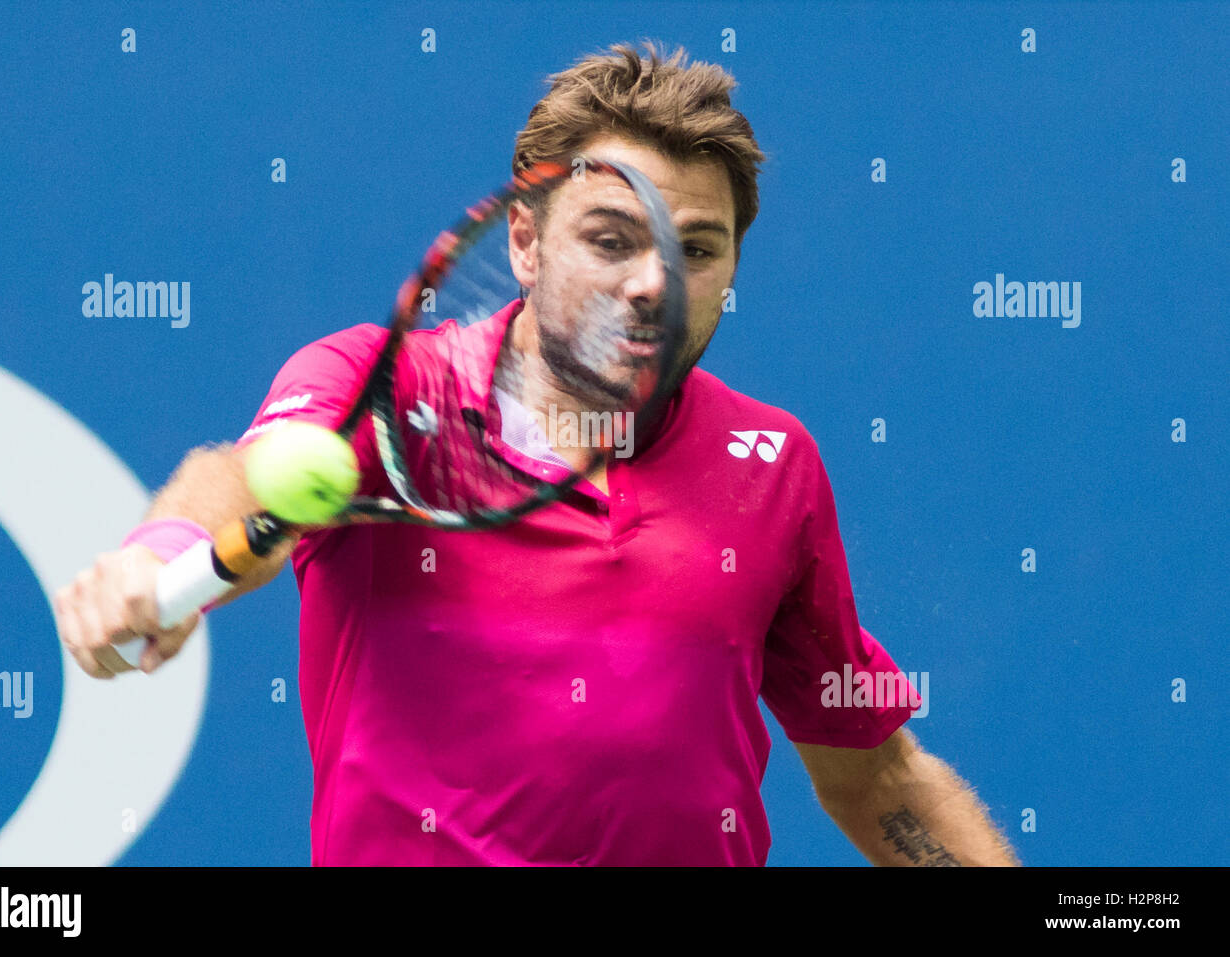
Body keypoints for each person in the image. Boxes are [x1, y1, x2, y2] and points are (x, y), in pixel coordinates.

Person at [56, 42, 1019, 866]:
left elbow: (875, 774)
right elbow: (242, 475)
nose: (653, 284)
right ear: (523, 240)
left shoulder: (771, 464)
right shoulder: (385, 387)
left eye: (698, 250)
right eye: (612, 239)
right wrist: (158, 556)